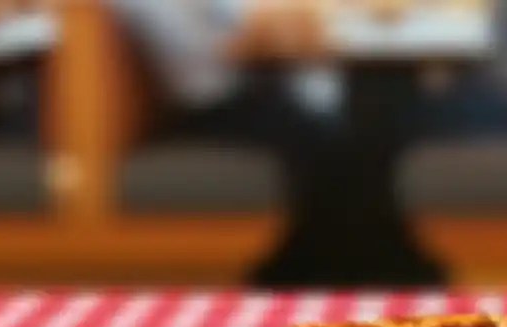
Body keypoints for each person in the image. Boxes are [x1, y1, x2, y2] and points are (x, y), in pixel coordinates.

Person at [109, 0, 445, 286]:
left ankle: (387, 285)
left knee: (379, 120)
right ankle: (359, 285)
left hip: (292, 84)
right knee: (335, 153)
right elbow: (207, 56)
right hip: (218, 99)